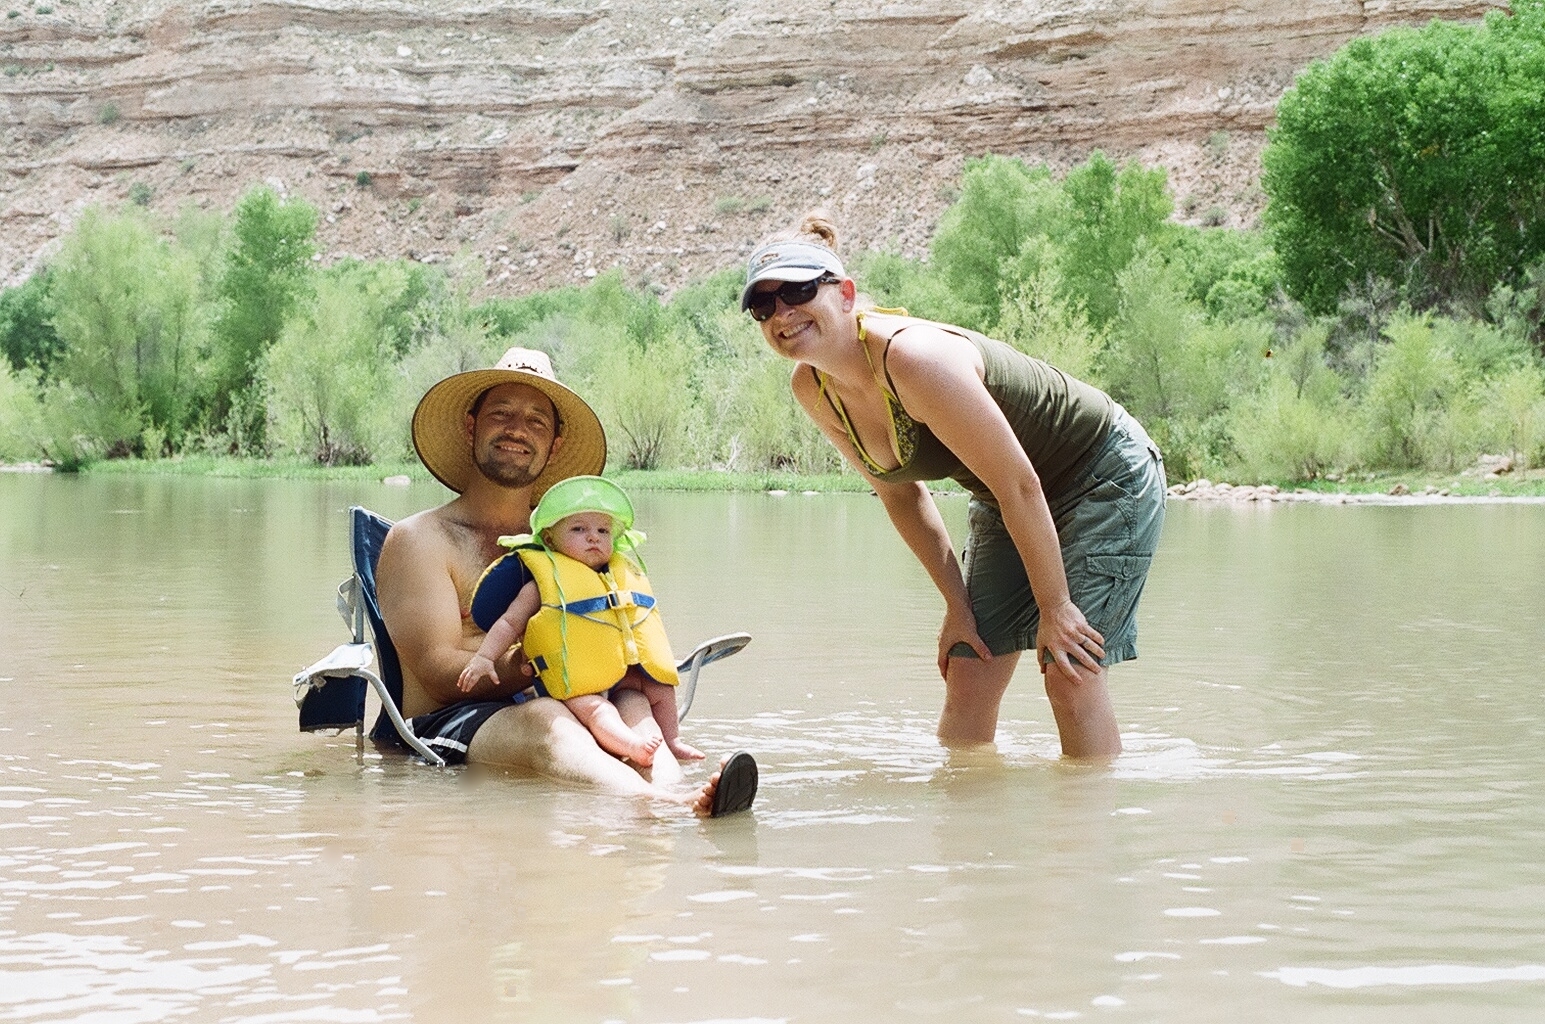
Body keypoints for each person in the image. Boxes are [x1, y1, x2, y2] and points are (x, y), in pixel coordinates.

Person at [741, 213, 1165, 759]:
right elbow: (900, 494)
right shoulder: (813, 387)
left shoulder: (913, 358)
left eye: (798, 291)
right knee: (970, 664)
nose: (782, 313)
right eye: (763, 305)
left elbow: (1021, 484)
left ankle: (1083, 834)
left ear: (845, 294)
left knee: (1069, 668)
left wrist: (1055, 606)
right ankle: (966, 835)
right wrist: (956, 606)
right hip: (1006, 493)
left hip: (1103, 472)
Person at [374, 346, 756, 815]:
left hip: (582, 693)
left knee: (633, 704)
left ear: (554, 444)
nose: (518, 429)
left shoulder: (576, 541)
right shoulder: (420, 540)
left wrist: (624, 664)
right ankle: (665, 807)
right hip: (454, 719)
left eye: (537, 421)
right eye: (502, 414)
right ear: (471, 426)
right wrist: (545, 667)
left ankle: (690, 796)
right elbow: (435, 669)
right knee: (548, 717)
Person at [457, 474, 703, 767]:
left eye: (602, 530)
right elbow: (510, 623)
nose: (593, 537)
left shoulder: (620, 576)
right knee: (599, 711)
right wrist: (485, 657)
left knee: (661, 691)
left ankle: (672, 741)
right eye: (578, 529)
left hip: (625, 674)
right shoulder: (542, 582)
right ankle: (632, 746)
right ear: (549, 539)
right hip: (577, 683)